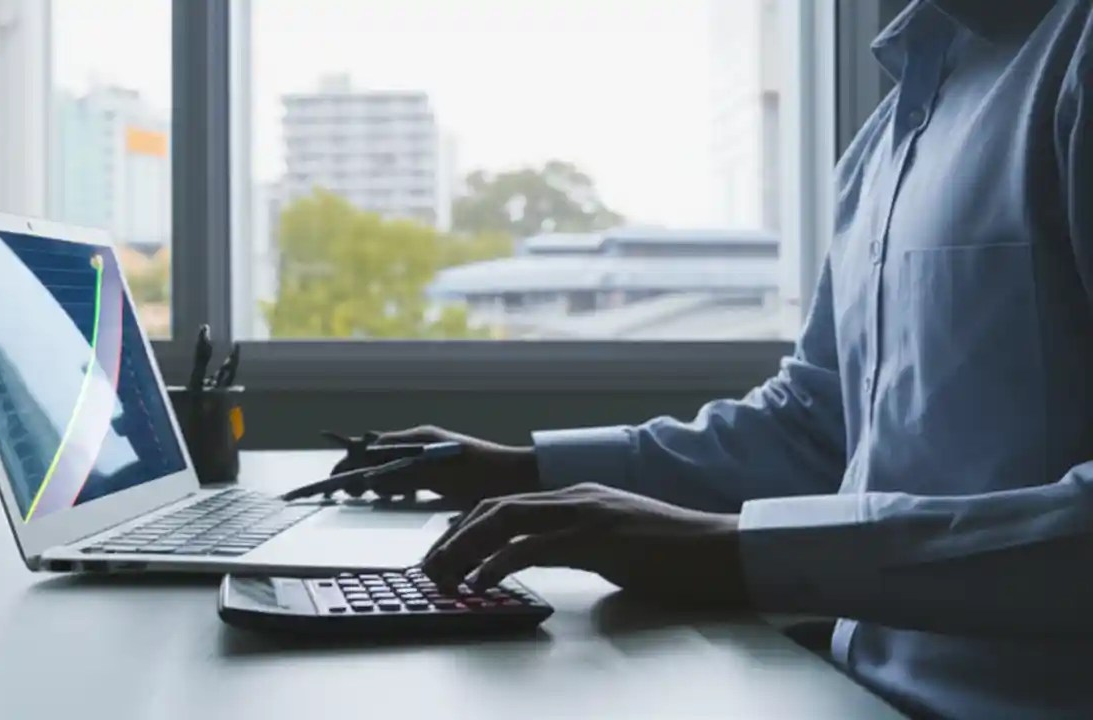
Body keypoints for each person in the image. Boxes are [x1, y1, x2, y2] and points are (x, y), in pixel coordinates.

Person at [333, 3, 1093, 718]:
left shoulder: (1072, 57)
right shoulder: (894, 129)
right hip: (853, 689)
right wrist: (523, 471)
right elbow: (815, 425)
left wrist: (726, 551)